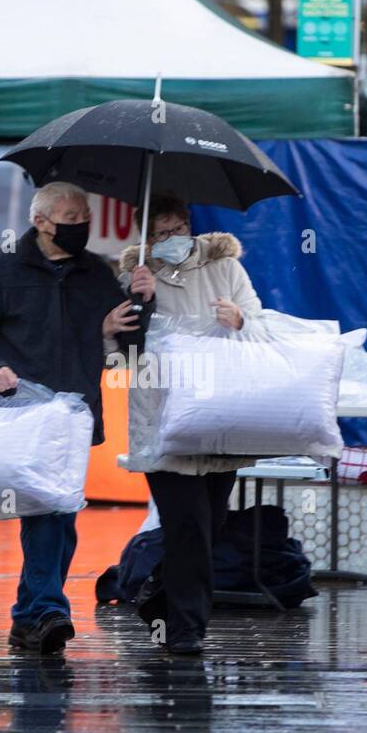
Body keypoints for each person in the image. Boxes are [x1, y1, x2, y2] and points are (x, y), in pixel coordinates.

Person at [0, 181, 154, 654]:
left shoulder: (97, 273)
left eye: (85, 216)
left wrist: (143, 301)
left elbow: (130, 346)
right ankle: (44, 610)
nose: (80, 226)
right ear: (40, 222)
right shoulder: (5, 267)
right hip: (22, 409)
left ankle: (33, 615)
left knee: (58, 514)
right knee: (48, 512)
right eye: (70, 218)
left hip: (75, 410)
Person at [119, 194, 262, 655]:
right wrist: (138, 304)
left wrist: (240, 320)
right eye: (160, 233)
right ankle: (186, 629)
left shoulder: (227, 269)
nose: (172, 239)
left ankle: (160, 591)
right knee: (187, 526)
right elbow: (120, 355)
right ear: (145, 239)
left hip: (220, 416)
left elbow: (263, 327)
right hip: (162, 420)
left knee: (211, 524)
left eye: (178, 228)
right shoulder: (134, 278)